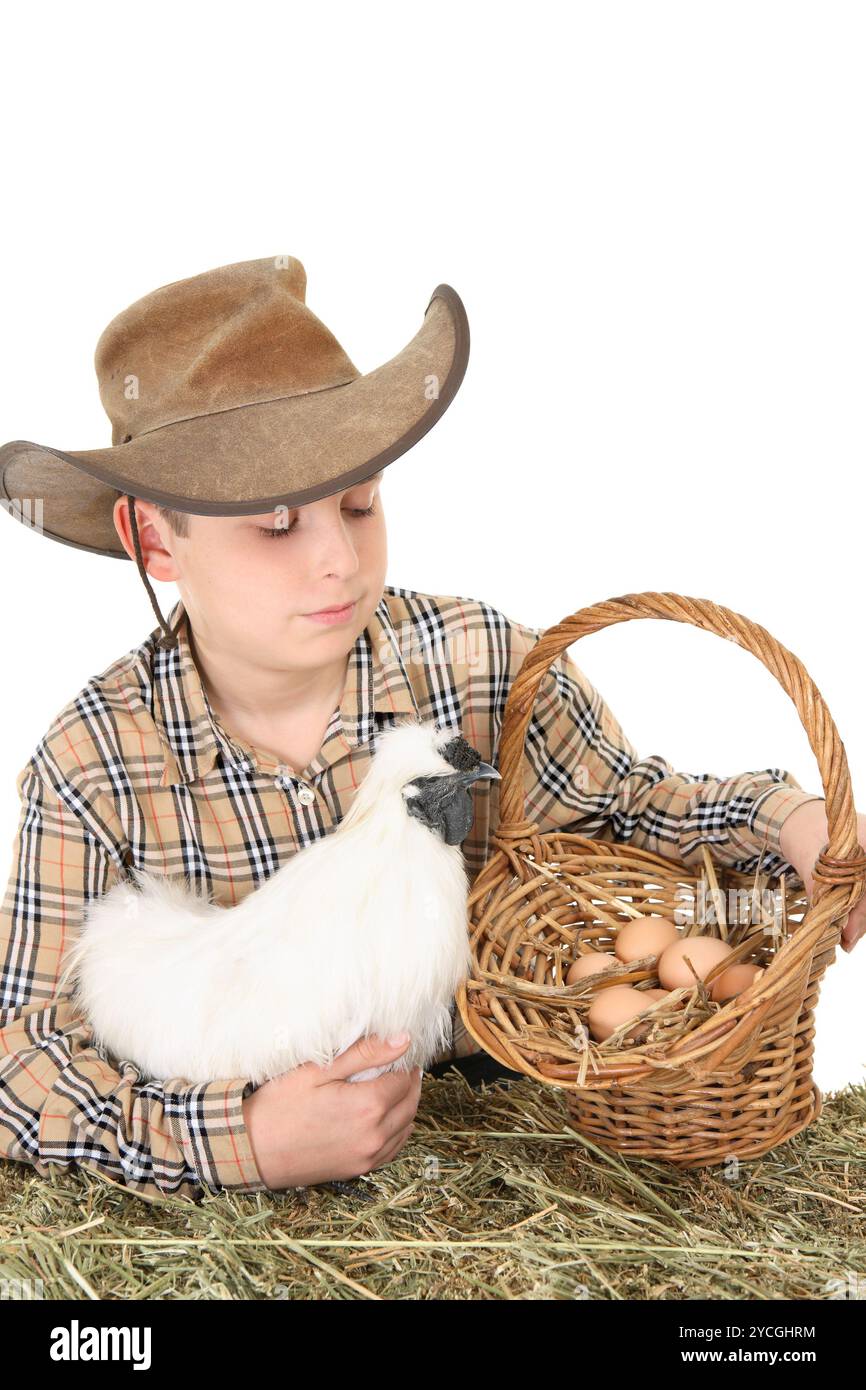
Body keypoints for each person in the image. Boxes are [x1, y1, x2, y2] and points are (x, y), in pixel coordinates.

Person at [0, 256, 861, 1203]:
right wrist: (242, 1141)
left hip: (507, 1118)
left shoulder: (479, 660)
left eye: (360, 503)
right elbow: (20, 1060)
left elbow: (628, 809)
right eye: (277, 525)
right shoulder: (94, 762)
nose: (340, 558)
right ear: (154, 539)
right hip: (257, 1177)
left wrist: (789, 819)